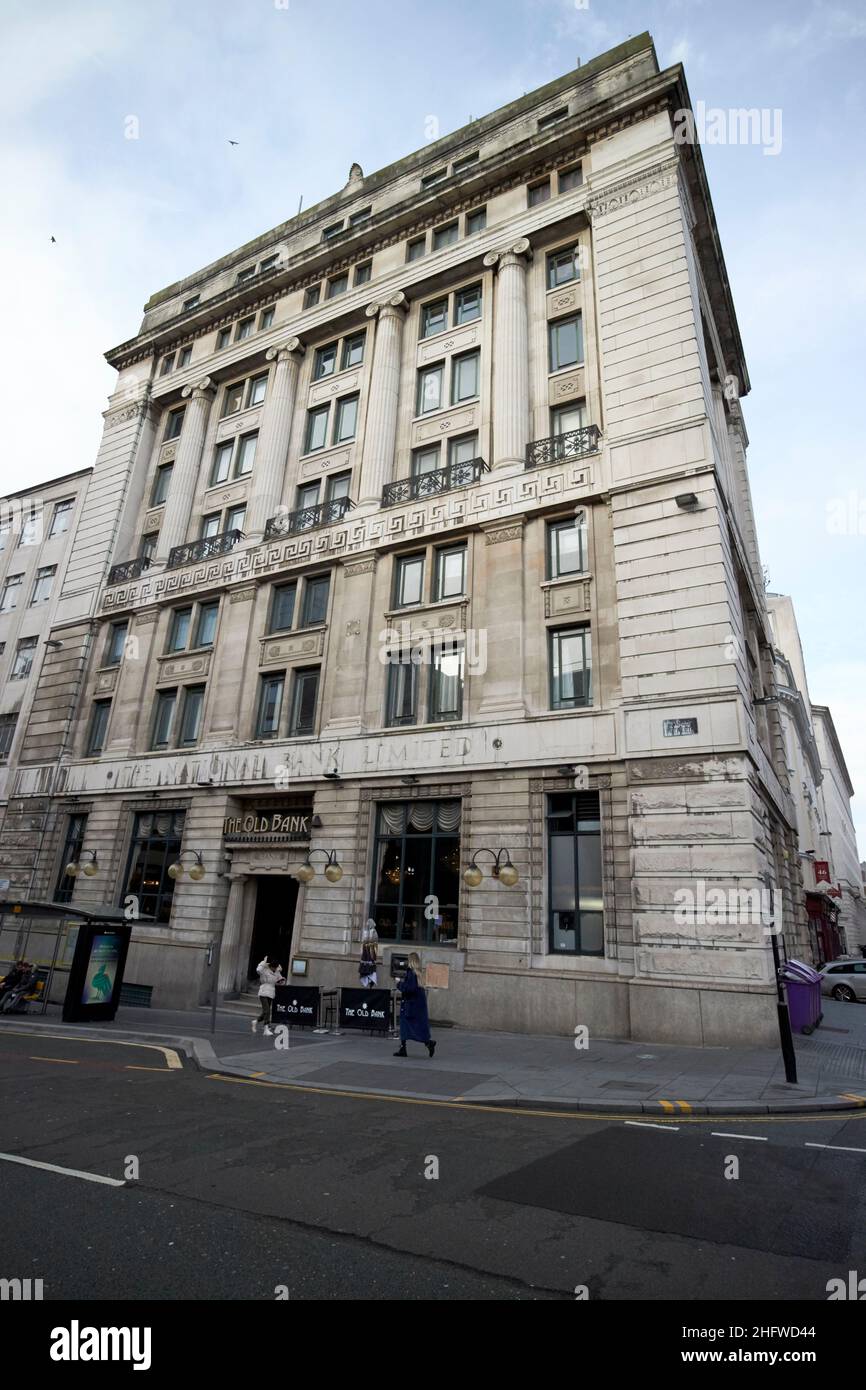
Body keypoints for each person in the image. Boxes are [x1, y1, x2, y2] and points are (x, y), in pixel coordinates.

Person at [393, 952, 436, 1058]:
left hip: (411, 1006)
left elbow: (410, 989)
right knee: (413, 1027)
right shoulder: (418, 973)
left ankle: (427, 1043)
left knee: (406, 1026)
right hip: (417, 1006)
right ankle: (425, 1043)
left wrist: (399, 983)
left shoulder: (411, 973)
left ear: (411, 961)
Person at [252, 956, 284, 1036]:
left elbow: (279, 980)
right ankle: (266, 1029)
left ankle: (255, 1021)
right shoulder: (264, 970)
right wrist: (263, 962)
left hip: (271, 992)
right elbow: (258, 970)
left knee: (265, 1012)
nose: (274, 969)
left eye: (275, 968)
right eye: (273, 967)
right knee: (267, 1011)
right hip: (263, 991)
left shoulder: (277, 972)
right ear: (270, 966)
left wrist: (281, 981)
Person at [358, 919, 378, 989]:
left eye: (369, 924)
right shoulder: (366, 932)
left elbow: (374, 945)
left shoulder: (374, 932)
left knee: (371, 972)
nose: (368, 925)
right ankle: (366, 984)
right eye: (367, 924)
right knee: (365, 972)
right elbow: (364, 942)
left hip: (371, 955)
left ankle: (370, 985)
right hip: (365, 955)